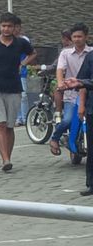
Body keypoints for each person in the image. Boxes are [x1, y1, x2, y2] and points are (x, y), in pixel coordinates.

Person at [0, 13, 35, 172]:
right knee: (1, 124)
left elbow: (33, 53)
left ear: (15, 28)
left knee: (10, 125)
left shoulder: (21, 43)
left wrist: (22, 64)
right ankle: (5, 159)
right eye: (3, 25)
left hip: (13, 87)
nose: (6, 29)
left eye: (9, 26)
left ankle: (8, 157)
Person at [50, 23, 91, 157]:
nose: (77, 39)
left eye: (80, 36)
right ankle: (55, 138)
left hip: (88, 93)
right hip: (71, 95)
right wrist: (61, 83)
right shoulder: (65, 53)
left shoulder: (91, 53)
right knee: (67, 120)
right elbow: (60, 69)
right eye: (74, 36)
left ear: (86, 37)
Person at [62, 53, 93, 195]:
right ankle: (91, 184)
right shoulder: (91, 56)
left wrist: (83, 83)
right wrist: (81, 105)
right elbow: (82, 81)